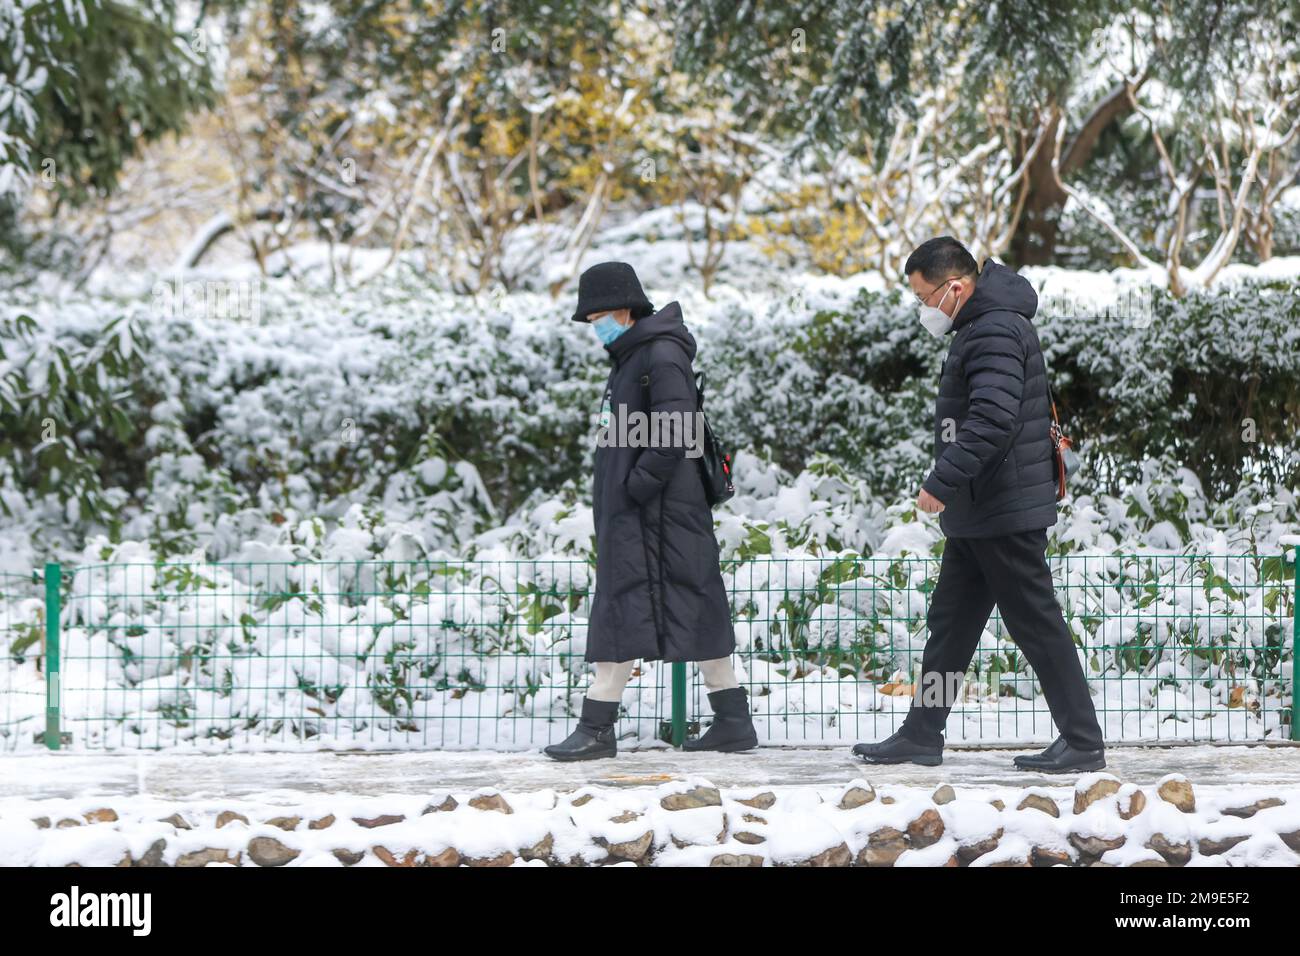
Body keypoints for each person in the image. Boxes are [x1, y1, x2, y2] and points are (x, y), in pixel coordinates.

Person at [852, 237, 1106, 774]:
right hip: (983, 508)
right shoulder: (981, 324)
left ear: (955, 287)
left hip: (1003, 508)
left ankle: (1083, 741)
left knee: (1036, 623)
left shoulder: (993, 329)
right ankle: (922, 733)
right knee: (951, 625)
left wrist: (943, 480)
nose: (923, 309)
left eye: (925, 297)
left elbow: (992, 418)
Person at [544, 261, 757, 761]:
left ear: (624, 309)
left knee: (628, 609)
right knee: (687, 605)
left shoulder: (658, 355)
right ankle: (733, 721)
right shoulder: (636, 355)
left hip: (657, 512)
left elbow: (675, 429)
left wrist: (635, 487)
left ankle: (597, 728)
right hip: (653, 512)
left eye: (599, 317)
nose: (596, 327)